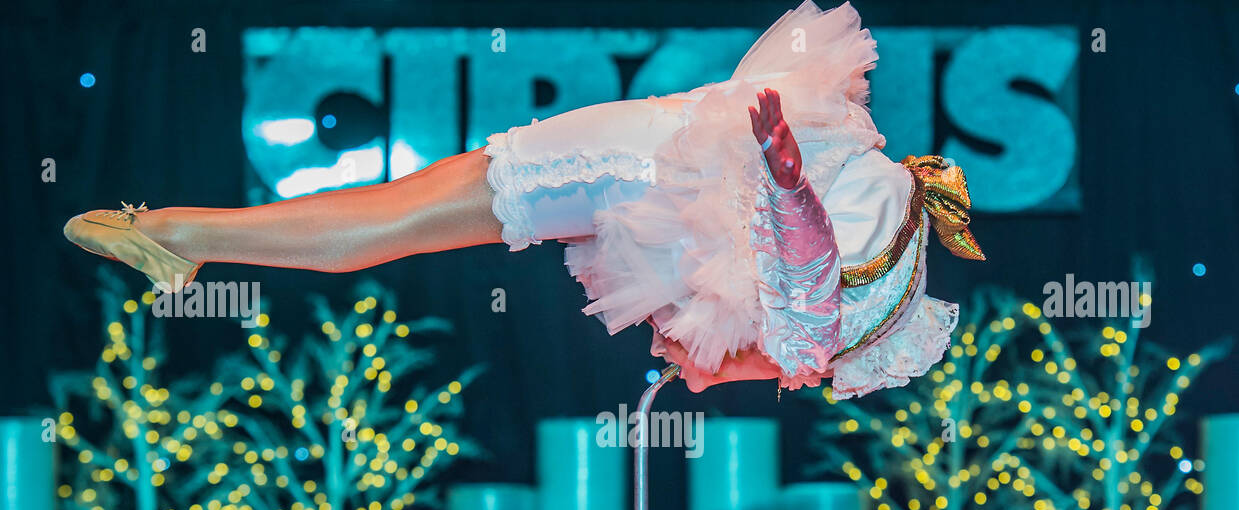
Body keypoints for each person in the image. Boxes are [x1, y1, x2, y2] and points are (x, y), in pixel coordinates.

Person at [64, 1, 983, 398]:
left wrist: (789, 181)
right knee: (411, 214)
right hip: (673, 165)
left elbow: (807, 272)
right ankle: (184, 237)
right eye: (698, 360)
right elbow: (805, 269)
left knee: (410, 213)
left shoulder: (835, 326)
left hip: (692, 167)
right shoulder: (813, 329)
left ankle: (184, 236)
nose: (683, 362)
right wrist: (785, 182)